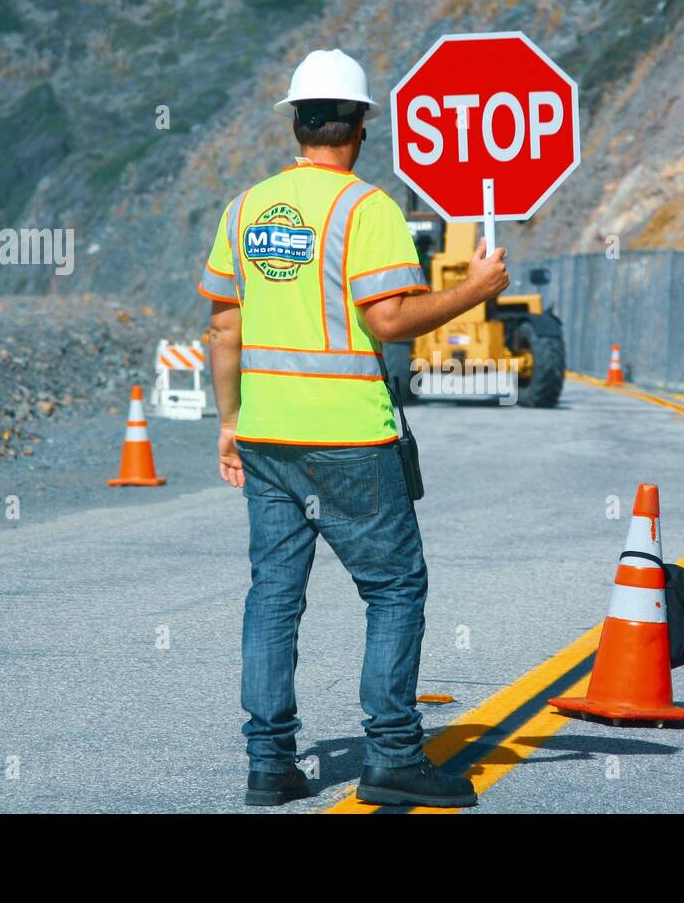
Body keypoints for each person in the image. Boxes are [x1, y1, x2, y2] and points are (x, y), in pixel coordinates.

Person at [197, 49, 509, 808]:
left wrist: (230, 421)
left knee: (274, 594)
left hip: (268, 436)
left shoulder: (245, 209)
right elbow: (391, 319)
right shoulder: (367, 211)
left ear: (297, 121)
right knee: (396, 588)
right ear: (362, 125)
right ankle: (395, 756)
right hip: (347, 439)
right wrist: (473, 290)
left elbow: (222, 325)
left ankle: (269, 765)